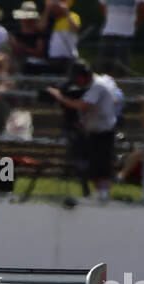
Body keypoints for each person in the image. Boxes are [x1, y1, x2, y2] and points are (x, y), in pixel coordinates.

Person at [45, 60, 118, 200]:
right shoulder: (95, 84)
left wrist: (59, 97)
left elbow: (82, 106)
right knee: (93, 167)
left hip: (104, 132)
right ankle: (99, 193)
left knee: (103, 167)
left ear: (84, 75)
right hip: (93, 131)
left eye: (77, 78)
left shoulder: (98, 85)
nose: (76, 82)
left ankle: (103, 195)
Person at [98, 0, 142, 75]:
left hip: (126, 34)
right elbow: (102, 6)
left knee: (121, 70)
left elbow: (142, 9)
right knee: (104, 68)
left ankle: (119, 86)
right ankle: (107, 86)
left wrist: (133, 26)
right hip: (108, 32)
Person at [9, 2, 48, 75]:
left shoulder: (39, 34)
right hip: (17, 63)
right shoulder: (15, 33)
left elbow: (40, 52)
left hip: (35, 65)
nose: (26, 20)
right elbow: (13, 49)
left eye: (29, 18)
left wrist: (25, 48)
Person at [44, 0, 81, 73]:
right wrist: (47, 9)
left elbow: (75, 29)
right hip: (53, 57)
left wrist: (66, 12)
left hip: (69, 57)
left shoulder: (73, 16)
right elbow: (40, 27)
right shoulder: (50, 19)